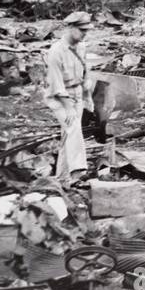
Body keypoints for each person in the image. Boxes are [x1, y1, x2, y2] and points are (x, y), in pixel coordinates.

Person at [45, 11, 93, 183]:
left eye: (87, 30)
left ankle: (62, 178)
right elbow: (56, 84)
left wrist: (88, 97)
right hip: (59, 99)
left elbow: (86, 72)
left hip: (77, 94)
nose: (84, 33)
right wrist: (68, 107)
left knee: (68, 136)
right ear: (71, 27)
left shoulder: (81, 48)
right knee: (73, 128)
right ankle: (78, 170)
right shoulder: (55, 52)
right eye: (81, 30)